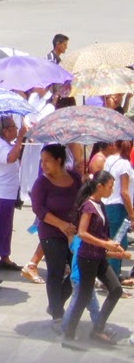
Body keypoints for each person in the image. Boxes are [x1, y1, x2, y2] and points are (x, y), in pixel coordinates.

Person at [64, 171, 125, 347]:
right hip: (87, 258)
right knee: (83, 297)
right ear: (99, 186)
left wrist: (114, 248)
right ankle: (69, 336)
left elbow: (101, 236)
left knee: (116, 289)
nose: (111, 190)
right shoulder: (89, 206)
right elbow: (82, 233)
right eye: (110, 186)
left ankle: (97, 329)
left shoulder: (101, 205)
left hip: (98, 257)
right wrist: (106, 245)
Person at [31, 144, 82, 322]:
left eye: (47, 161)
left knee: (80, 268)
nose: (43, 165)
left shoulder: (75, 177)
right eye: (41, 161)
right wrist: (61, 224)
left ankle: (56, 303)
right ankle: (57, 315)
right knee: (56, 270)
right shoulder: (42, 183)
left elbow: (82, 201)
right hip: (51, 232)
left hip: (73, 231)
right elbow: (38, 209)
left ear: (59, 160)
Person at [0, 116, 27, 271]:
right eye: (14, 127)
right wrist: (20, 138)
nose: (16, 130)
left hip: (5, 192)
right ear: (5, 130)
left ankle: (5, 257)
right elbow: (10, 158)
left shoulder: (1, 143)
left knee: (5, 227)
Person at [99, 141, 134, 278]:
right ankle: (112, 280)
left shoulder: (109, 160)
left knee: (112, 242)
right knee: (119, 245)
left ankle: (110, 276)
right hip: (119, 208)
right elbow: (124, 192)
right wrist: (132, 215)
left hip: (108, 205)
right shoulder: (124, 164)